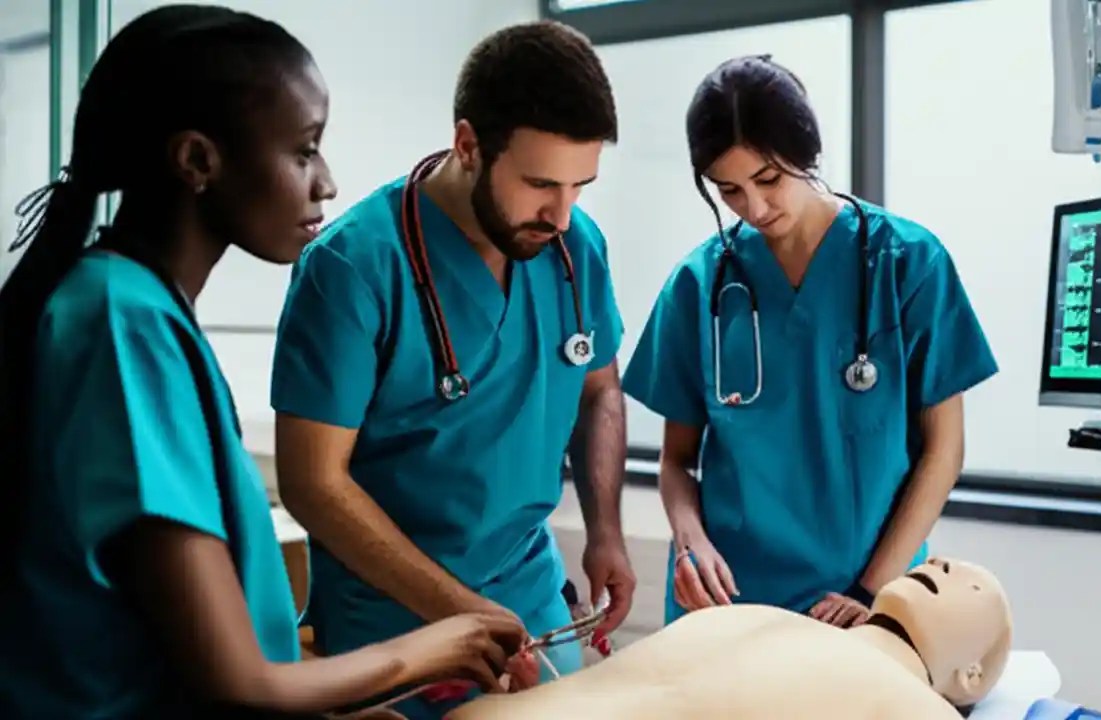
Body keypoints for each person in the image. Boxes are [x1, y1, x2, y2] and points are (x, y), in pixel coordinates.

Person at [0, 6, 528, 718]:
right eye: (305, 150)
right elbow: (238, 681)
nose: (328, 182)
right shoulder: (118, 324)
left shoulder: (139, 309)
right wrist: (434, 646)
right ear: (197, 161)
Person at [269, 20, 635, 719]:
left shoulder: (574, 247)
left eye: (580, 186)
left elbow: (600, 393)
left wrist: (607, 533)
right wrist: (464, 616)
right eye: (539, 184)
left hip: (529, 600)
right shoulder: (351, 270)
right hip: (395, 629)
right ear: (468, 145)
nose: (562, 214)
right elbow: (313, 483)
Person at [622, 55, 999, 628]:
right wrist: (690, 539)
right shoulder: (699, 285)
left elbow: (943, 452)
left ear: (807, 151)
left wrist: (871, 591)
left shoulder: (908, 264)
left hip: (864, 601)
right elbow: (676, 462)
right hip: (727, 604)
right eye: (729, 190)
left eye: (768, 179)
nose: (754, 207)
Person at [446, 557, 1015, 719]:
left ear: (973, 676)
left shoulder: (916, 706)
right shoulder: (767, 620)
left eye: (972, 583)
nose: (944, 562)